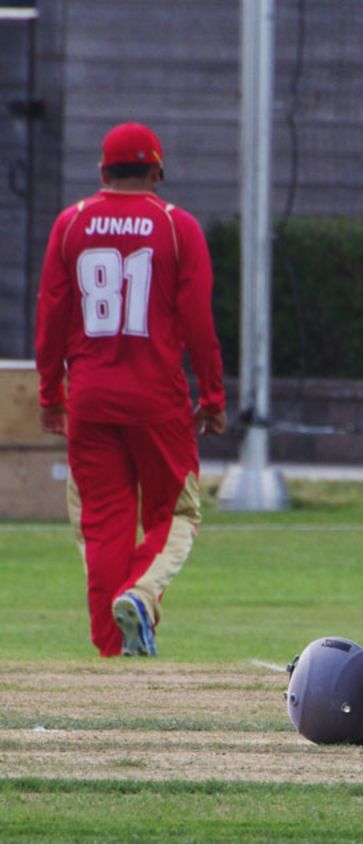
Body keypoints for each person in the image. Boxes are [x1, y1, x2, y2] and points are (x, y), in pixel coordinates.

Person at [35, 122, 227, 658]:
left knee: (102, 527)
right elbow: (197, 323)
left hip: (90, 400)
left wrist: (50, 394)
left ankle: (111, 652)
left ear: (102, 171)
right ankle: (141, 596)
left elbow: (50, 316)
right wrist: (212, 399)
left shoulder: (70, 224)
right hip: (158, 402)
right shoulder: (175, 226)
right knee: (178, 514)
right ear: (158, 172)